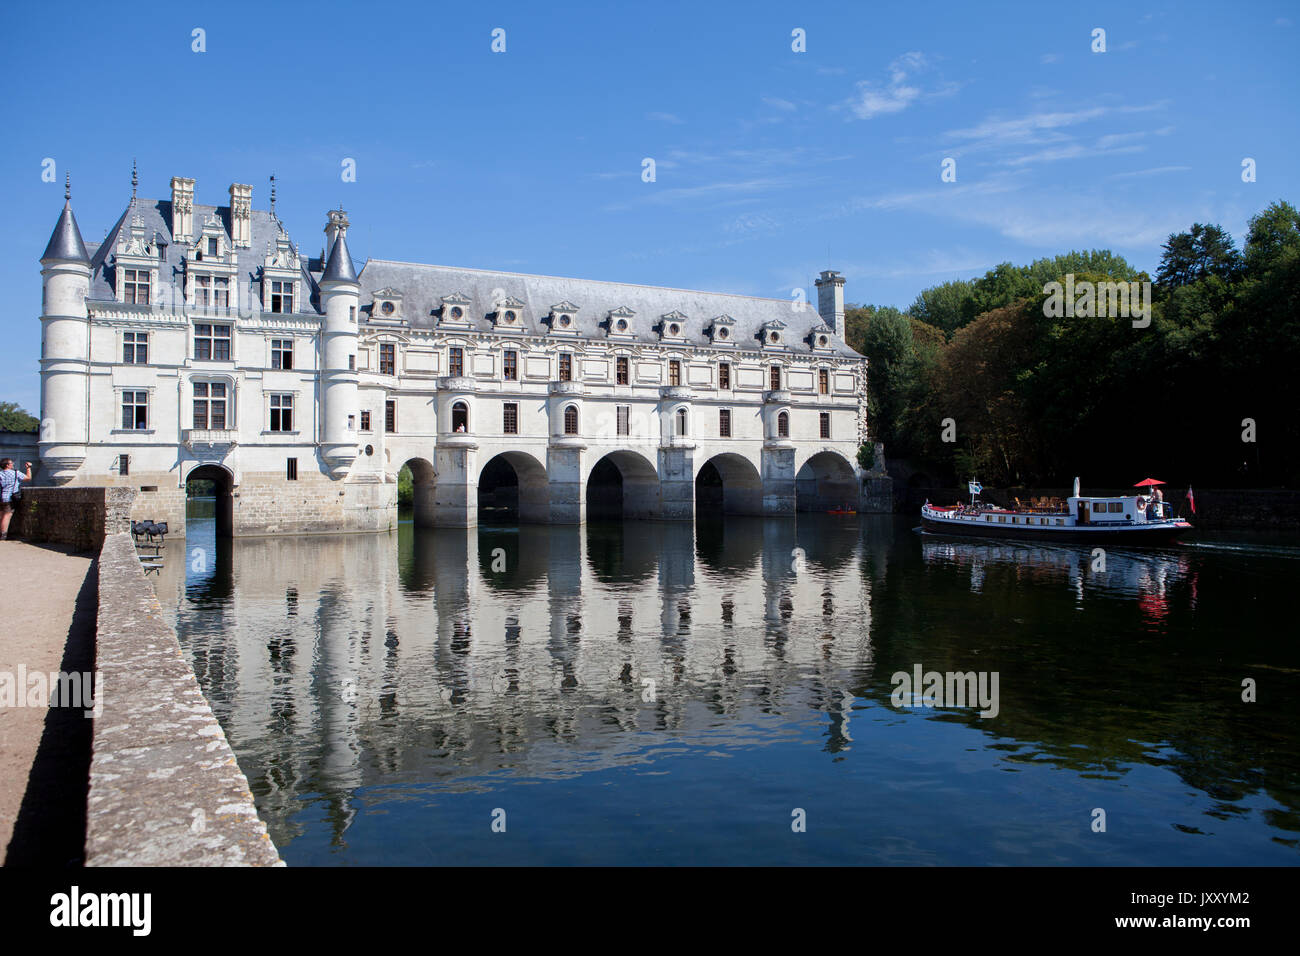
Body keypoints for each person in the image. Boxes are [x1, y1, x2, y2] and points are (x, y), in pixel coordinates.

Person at [0, 459, 33, 540]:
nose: (13, 464)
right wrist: (28, 468)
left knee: (1, 515)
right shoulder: (15, 473)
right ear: (7, 465)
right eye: (11, 463)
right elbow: (28, 478)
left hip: (1, 497)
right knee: (7, 515)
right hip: (10, 497)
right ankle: (3, 535)